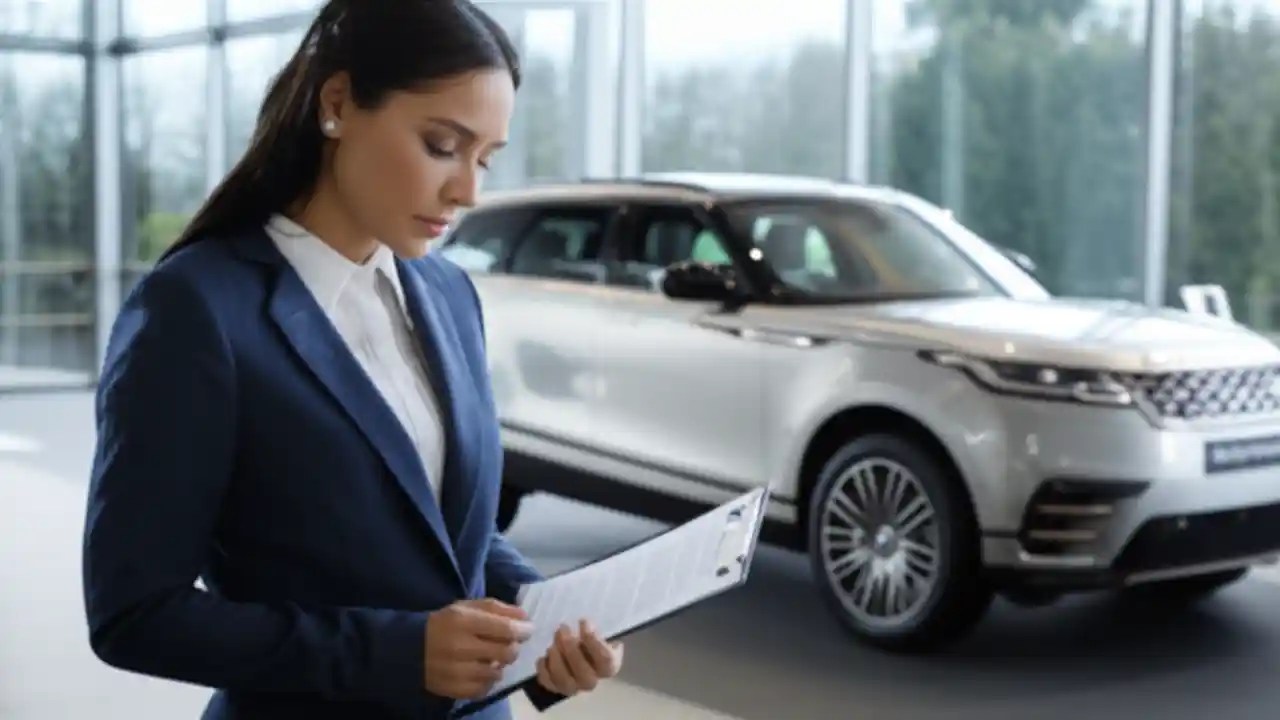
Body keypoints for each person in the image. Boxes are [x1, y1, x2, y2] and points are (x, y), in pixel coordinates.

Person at [80, 1, 623, 718]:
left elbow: (447, 529)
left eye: (485, 158)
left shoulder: (450, 292)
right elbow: (135, 613)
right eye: (441, 145)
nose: (468, 191)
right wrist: (398, 651)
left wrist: (546, 619)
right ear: (336, 104)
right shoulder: (195, 312)